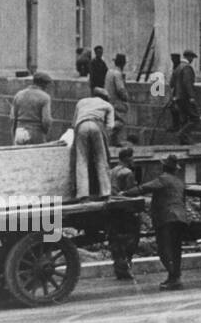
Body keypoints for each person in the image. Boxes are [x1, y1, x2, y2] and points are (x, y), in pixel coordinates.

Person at [122, 153, 189, 290]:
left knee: (164, 249)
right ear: (175, 169)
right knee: (176, 249)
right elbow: (182, 201)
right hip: (180, 218)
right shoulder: (179, 182)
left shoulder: (163, 179)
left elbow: (143, 189)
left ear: (164, 167)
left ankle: (174, 277)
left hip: (166, 218)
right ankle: (174, 277)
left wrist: (124, 194)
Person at [70, 88, 115, 198]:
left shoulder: (81, 102)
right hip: (96, 126)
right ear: (105, 98)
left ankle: (82, 194)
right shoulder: (108, 105)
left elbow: (74, 123)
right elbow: (110, 126)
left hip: (81, 126)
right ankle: (105, 191)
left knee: (81, 160)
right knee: (101, 159)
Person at [107, 147, 141, 281]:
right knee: (130, 240)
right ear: (127, 158)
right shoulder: (127, 173)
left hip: (112, 208)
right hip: (124, 210)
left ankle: (119, 269)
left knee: (115, 240)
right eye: (132, 157)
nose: (133, 160)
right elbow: (130, 192)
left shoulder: (111, 171)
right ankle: (125, 269)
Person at [10, 71, 53, 145]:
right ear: (44, 84)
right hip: (35, 132)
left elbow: (12, 118)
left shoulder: (19, 95)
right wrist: (46, 132)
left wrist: (14, 135)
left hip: (19, 131)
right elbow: (46, 120)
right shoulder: (45, 97)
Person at [171, 49, 200, 144]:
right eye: (192, 58)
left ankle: (183, 141)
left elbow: (171, 83)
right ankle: (182, 134)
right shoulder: (187, 68)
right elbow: (187, 83)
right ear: (189, 57)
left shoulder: (178, 67)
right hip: (185, 98)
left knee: (184, 119)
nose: (192, 60)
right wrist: (192, 97)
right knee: (195, 118)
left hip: (178, 98)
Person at [104, 53, 129, 146]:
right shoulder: (118, 74)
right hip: (117, 102)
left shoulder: (109, 72)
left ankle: (114, 141)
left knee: (112, 119)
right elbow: (120, 89)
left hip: (109, 100)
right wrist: (126, 98)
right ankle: (108, 135)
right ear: (123, 64)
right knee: (120, 122)